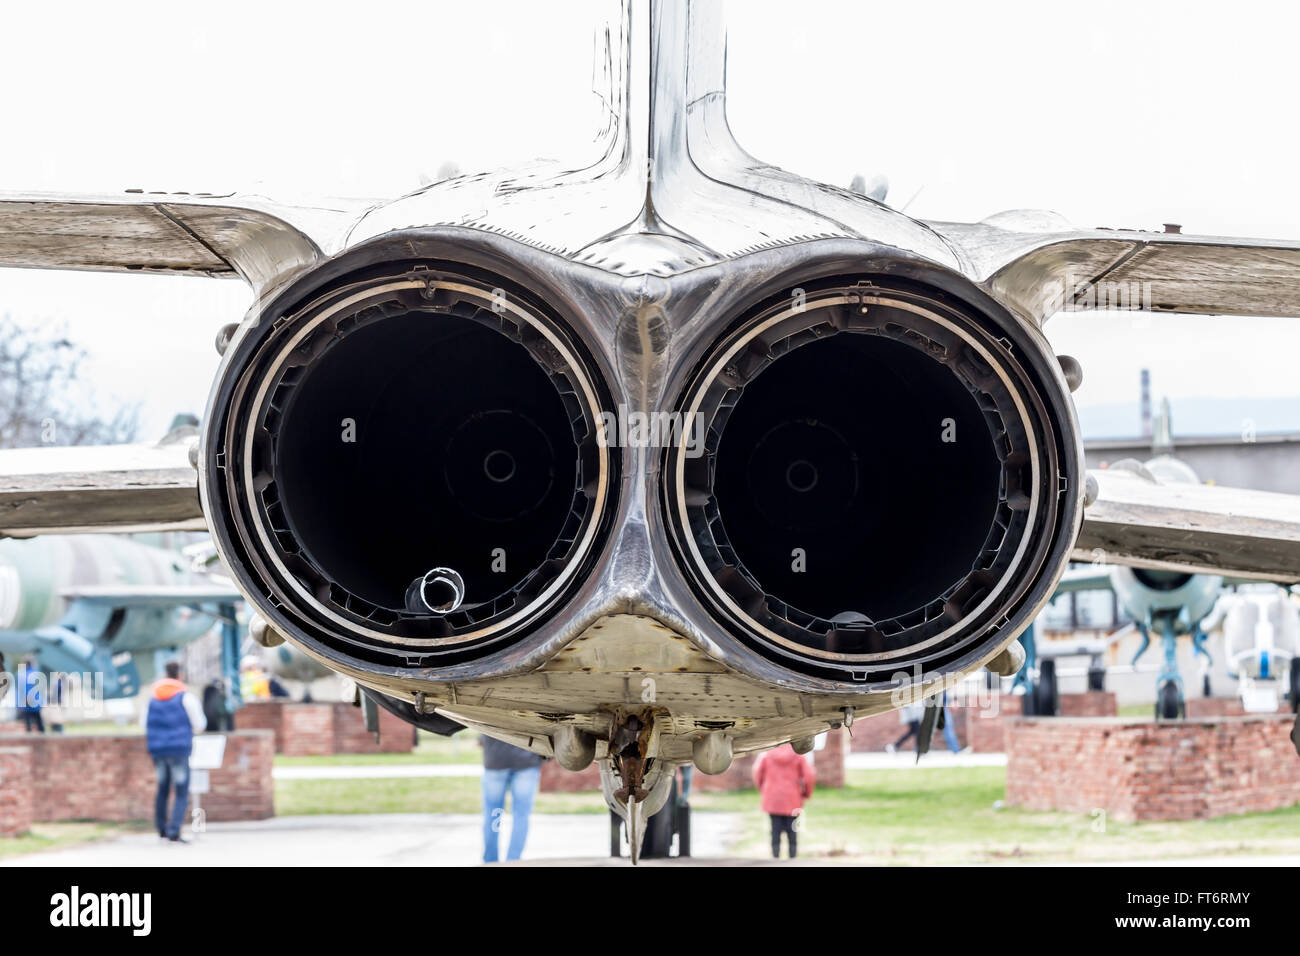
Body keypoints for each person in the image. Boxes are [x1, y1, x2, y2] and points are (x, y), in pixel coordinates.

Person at [145, 662, 205, 843]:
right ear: (180, 676)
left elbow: (143, 724)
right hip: (179, 749)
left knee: (162, 789)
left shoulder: (152, 699)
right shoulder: (186, 698)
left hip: (158, 749)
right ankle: (174, 831)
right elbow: (200, 724)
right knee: (181, 790)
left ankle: (161, 829)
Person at [480, 735, 543, 863]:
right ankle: (514, 861)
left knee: (493, 814)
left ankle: (490, 862)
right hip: (527, 760)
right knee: (521, 816)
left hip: (495, 758)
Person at [753, 743, 815, 859]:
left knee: (775, 830)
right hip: (792, 798)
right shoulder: (798, 754)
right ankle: (792, 859)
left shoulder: (767, 753)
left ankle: (775, 859)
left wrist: (763, 789)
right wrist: (806, 793)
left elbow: (757, 772)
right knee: (793, 831)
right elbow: (809, 775)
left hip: (772, 798)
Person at [16, 658, 44, 733]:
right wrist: (41, 702)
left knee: (28, 725)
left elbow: (19, 690)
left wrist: (18, 704)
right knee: (39, 724)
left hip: (26, 702)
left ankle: (29, 737)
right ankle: (42, 737)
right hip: (36, 702)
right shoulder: (37, 673)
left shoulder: (21, 675)